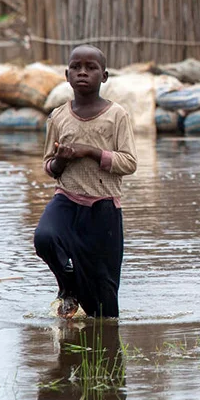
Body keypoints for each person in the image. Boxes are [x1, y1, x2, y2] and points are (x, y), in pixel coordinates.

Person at [34, 45, 136, 319]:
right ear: (67, 75)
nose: (82, 73)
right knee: (45, 239)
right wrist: (63, 160)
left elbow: (129, 162)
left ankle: (103, 353)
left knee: (105, 311)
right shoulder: (58, 116)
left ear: (104, 76)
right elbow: (49, 166)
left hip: (103, 209)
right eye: (76, 68)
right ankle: (68, 288)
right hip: (66, 200)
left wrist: (91, 152)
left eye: (90, 68)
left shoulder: (117, 116)